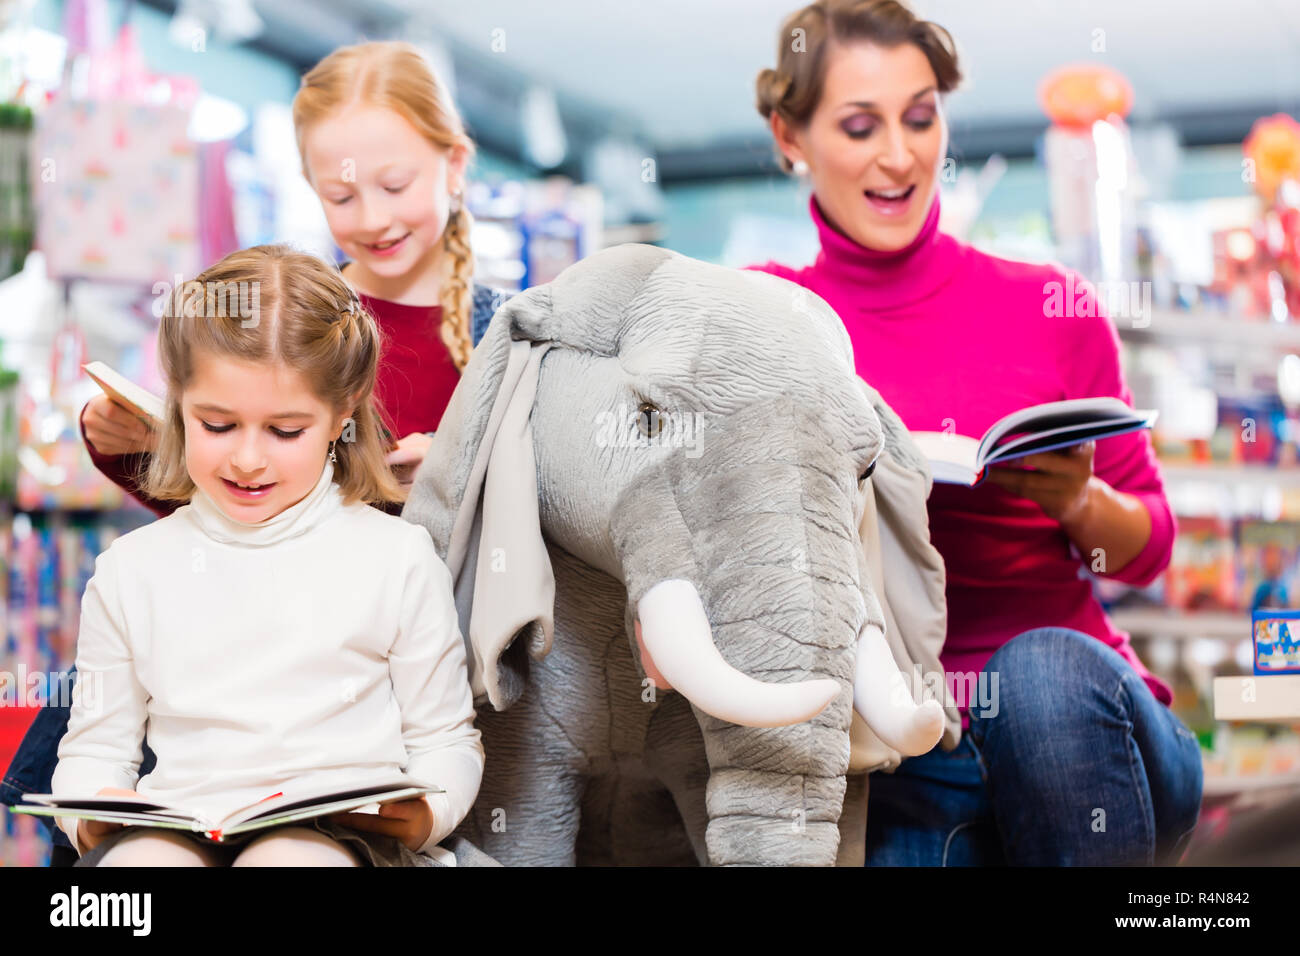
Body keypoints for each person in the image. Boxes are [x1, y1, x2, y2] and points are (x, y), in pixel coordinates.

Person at [1, 41, 506, 862]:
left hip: (393, 676)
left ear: (454, 165)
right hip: (218, 704)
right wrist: (143, 451)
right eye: (342, 194)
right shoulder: (277, 314)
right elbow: (230, 531)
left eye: (395, 185)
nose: (373, 216)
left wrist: (451, 478)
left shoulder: (501, 340)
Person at [750, 0, 1203, 865]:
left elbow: (1147, 552)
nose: (899, 154)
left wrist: (1082, 501)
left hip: (1088, 737)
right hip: (901, 742)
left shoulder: (1047, 305)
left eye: (921, 118)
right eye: (859, 125)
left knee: (1035, 679)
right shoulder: (766, 317)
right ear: (790, 137)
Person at [51, 245, 483, 866]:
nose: (248, 459)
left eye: (285, 431)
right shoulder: (131, 569)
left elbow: (446, 740)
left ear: (342, 413)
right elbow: (93, 751)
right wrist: (92, 816)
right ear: (176, 401)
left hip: (344, 842)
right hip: (180, 832)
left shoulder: (397, 557)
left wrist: (427, 812)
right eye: (217, 425)